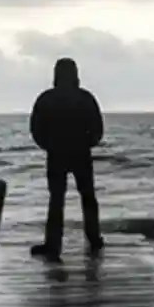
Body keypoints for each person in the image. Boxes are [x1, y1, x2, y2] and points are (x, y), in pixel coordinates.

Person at [29, 57, 105, 261]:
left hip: (57, 154)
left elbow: (36, 129)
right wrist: (87, 143)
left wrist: (49, 145)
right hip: (80, 153)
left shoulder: (46, 98)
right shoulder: (85, 97)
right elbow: (98, 128)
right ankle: (94, 237)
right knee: (87, 197)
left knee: (56, 200)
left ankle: (53, 244)